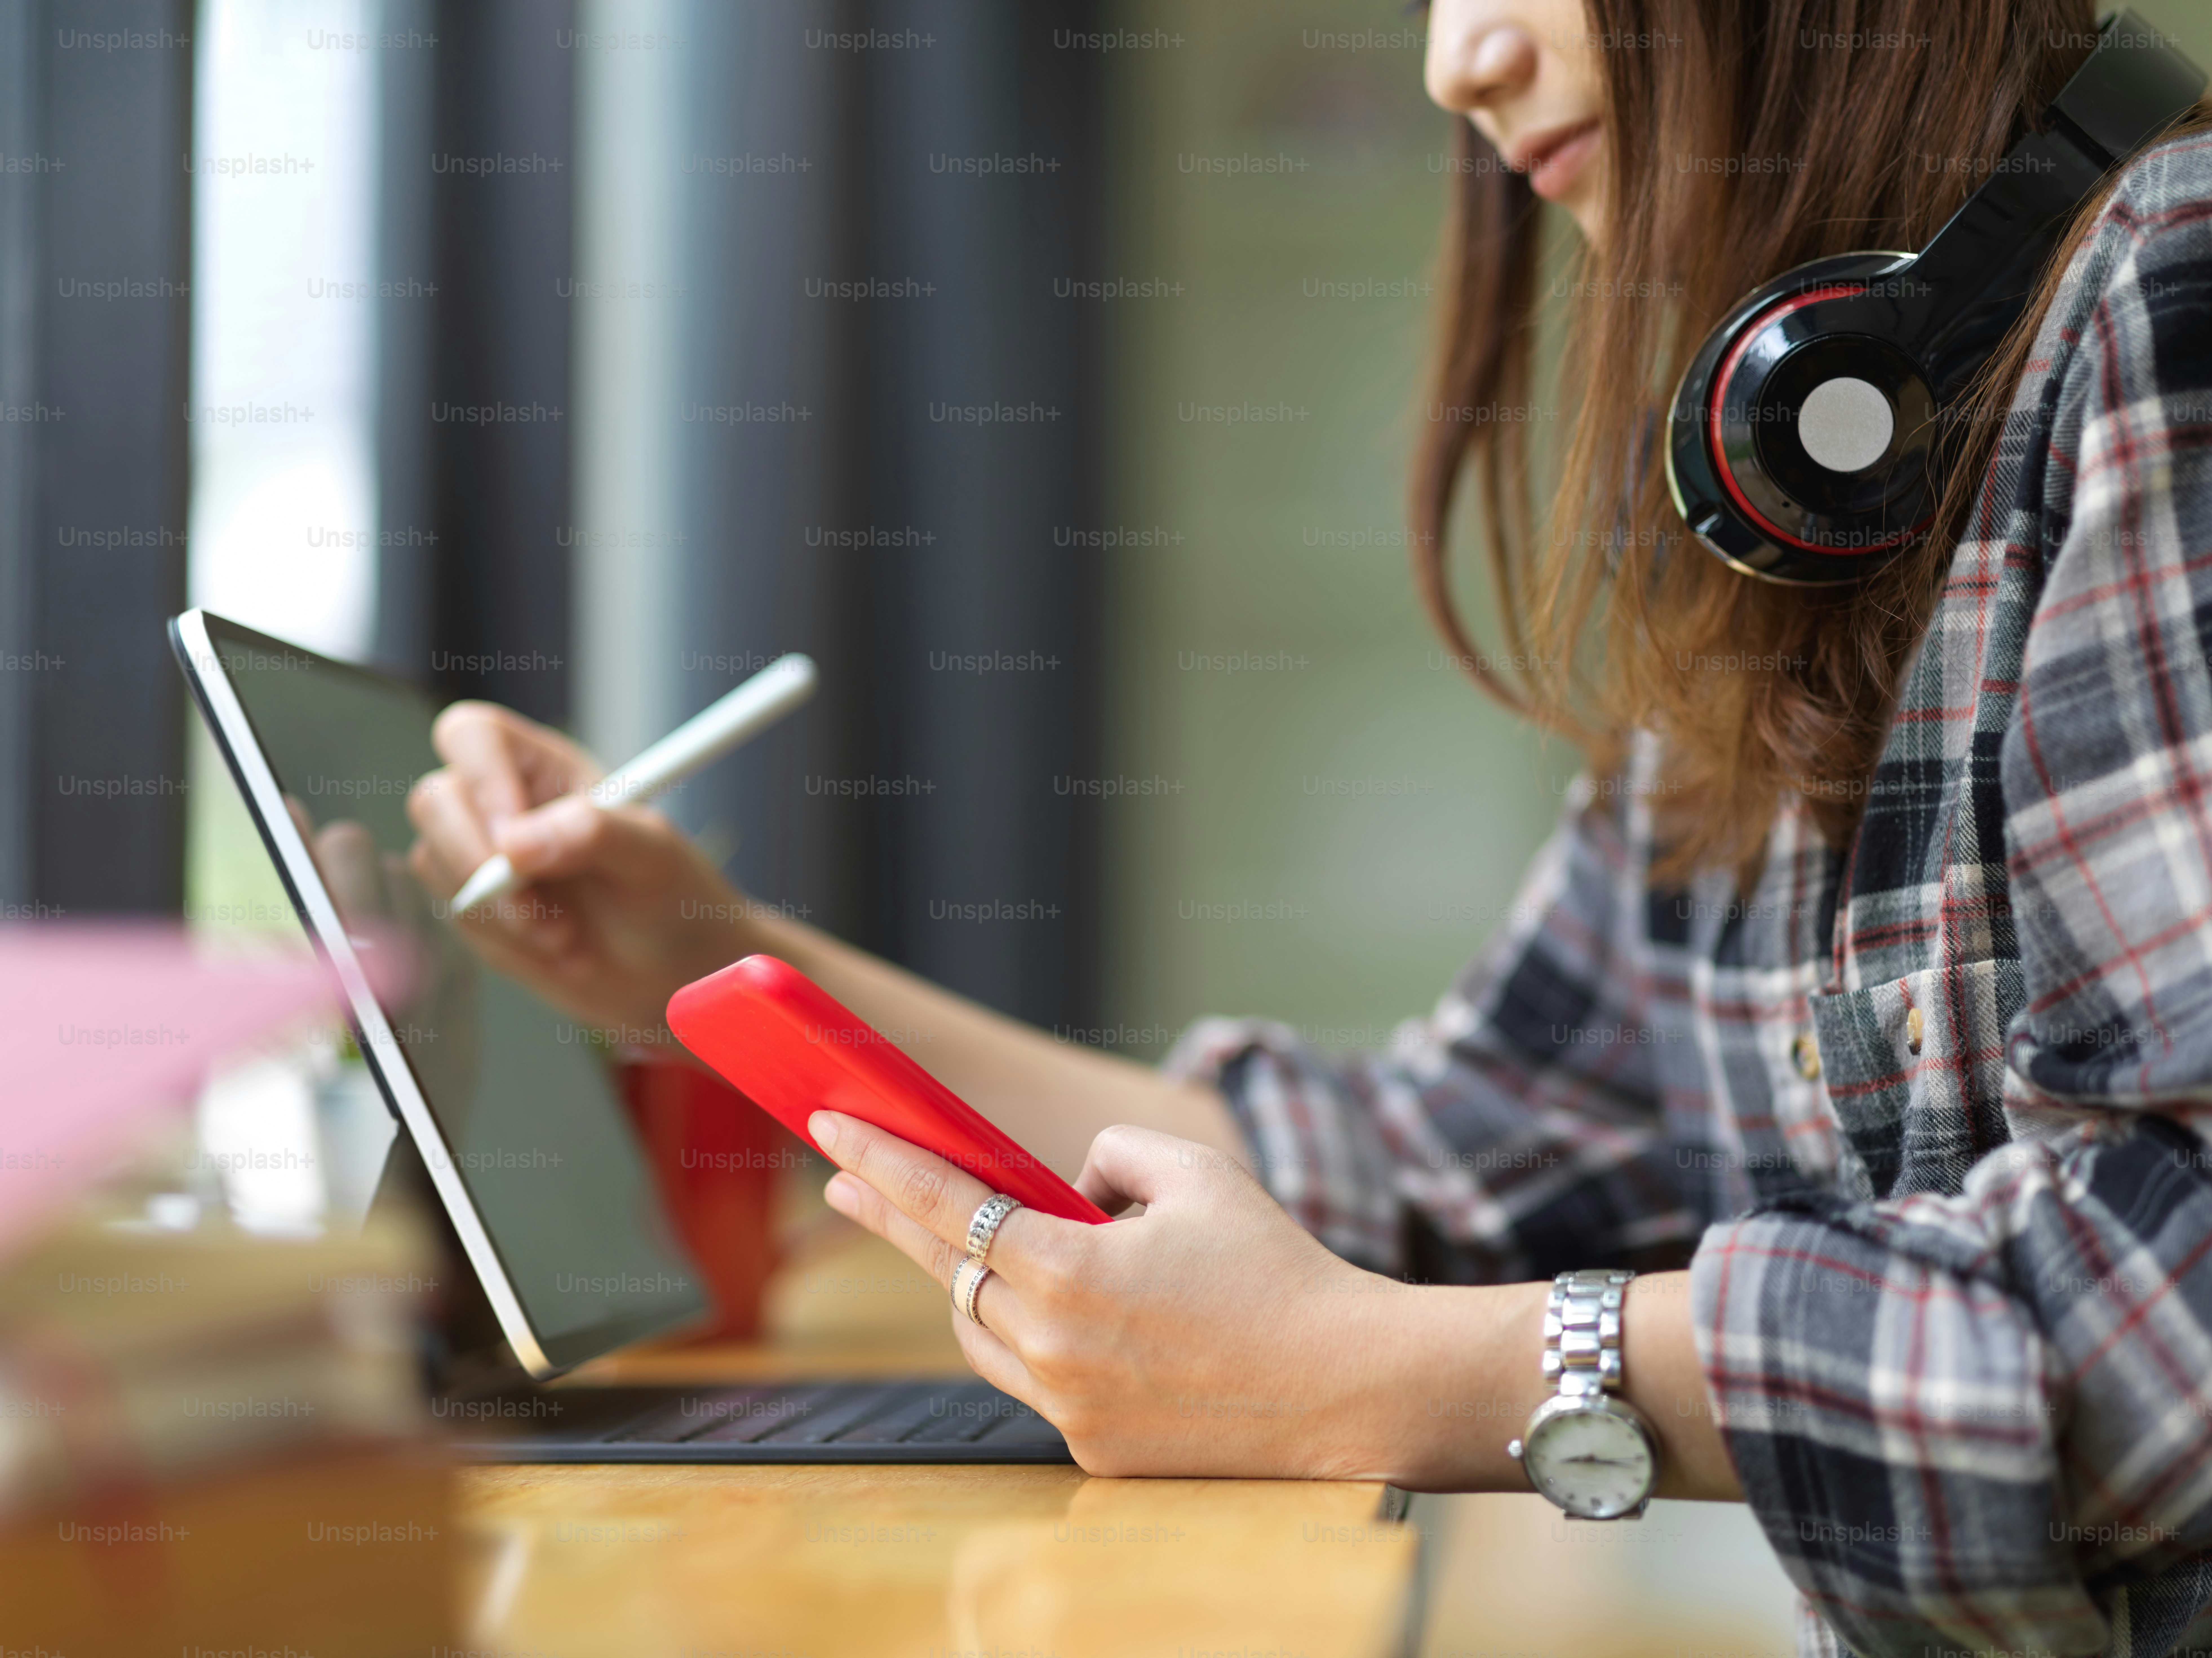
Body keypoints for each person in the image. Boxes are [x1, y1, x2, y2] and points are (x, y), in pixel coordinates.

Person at [405, 3, 2212, 1653]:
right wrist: (719, 955)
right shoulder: (1820, 535)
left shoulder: (2175, 287)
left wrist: (1386, 1378)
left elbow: (2176, 1311)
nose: (1458, 61)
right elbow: (1433, 1163)